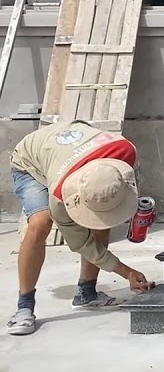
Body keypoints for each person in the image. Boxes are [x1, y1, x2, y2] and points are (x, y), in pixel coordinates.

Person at [8, 120, 151, 336]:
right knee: (40, 223)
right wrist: (127, 272)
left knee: (102, 214)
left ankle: (87, 293)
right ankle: (24, 307)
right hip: (30, 161)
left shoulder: (126, 151)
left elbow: (128, 188)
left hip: (69, 149)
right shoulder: (58, 196)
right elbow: (83, 244)